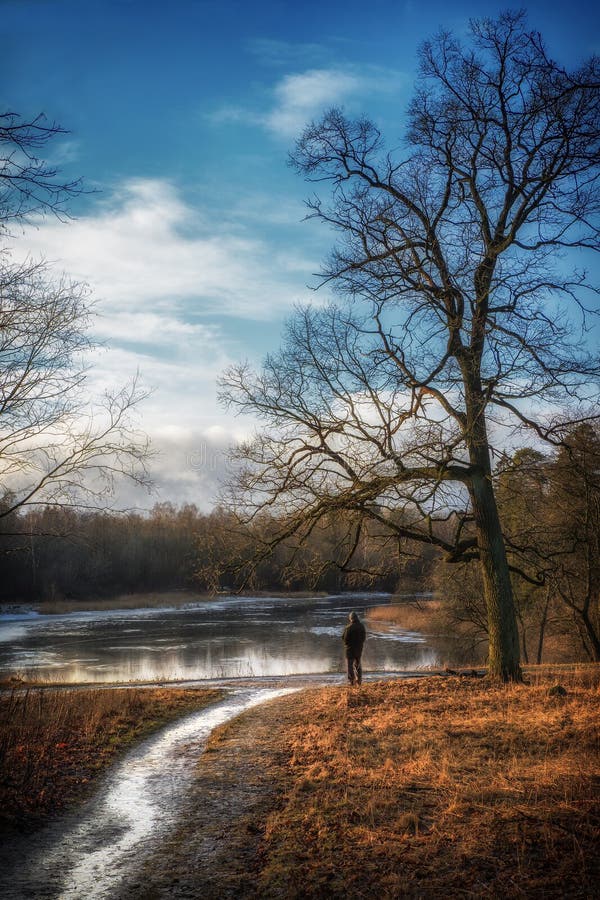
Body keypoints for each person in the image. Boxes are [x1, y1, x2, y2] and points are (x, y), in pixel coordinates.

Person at [342, 611, 366, 686]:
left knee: (350, 666)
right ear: (357, 617)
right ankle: (359, 681)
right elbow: (364, 638)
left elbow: (344, 639)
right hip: (359, 649)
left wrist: (347, 644)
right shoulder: (362, 626)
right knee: (358, 664)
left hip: (350, 649)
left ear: (350, 618)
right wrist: (360, 644)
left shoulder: (348, 627)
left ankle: (351, 681)